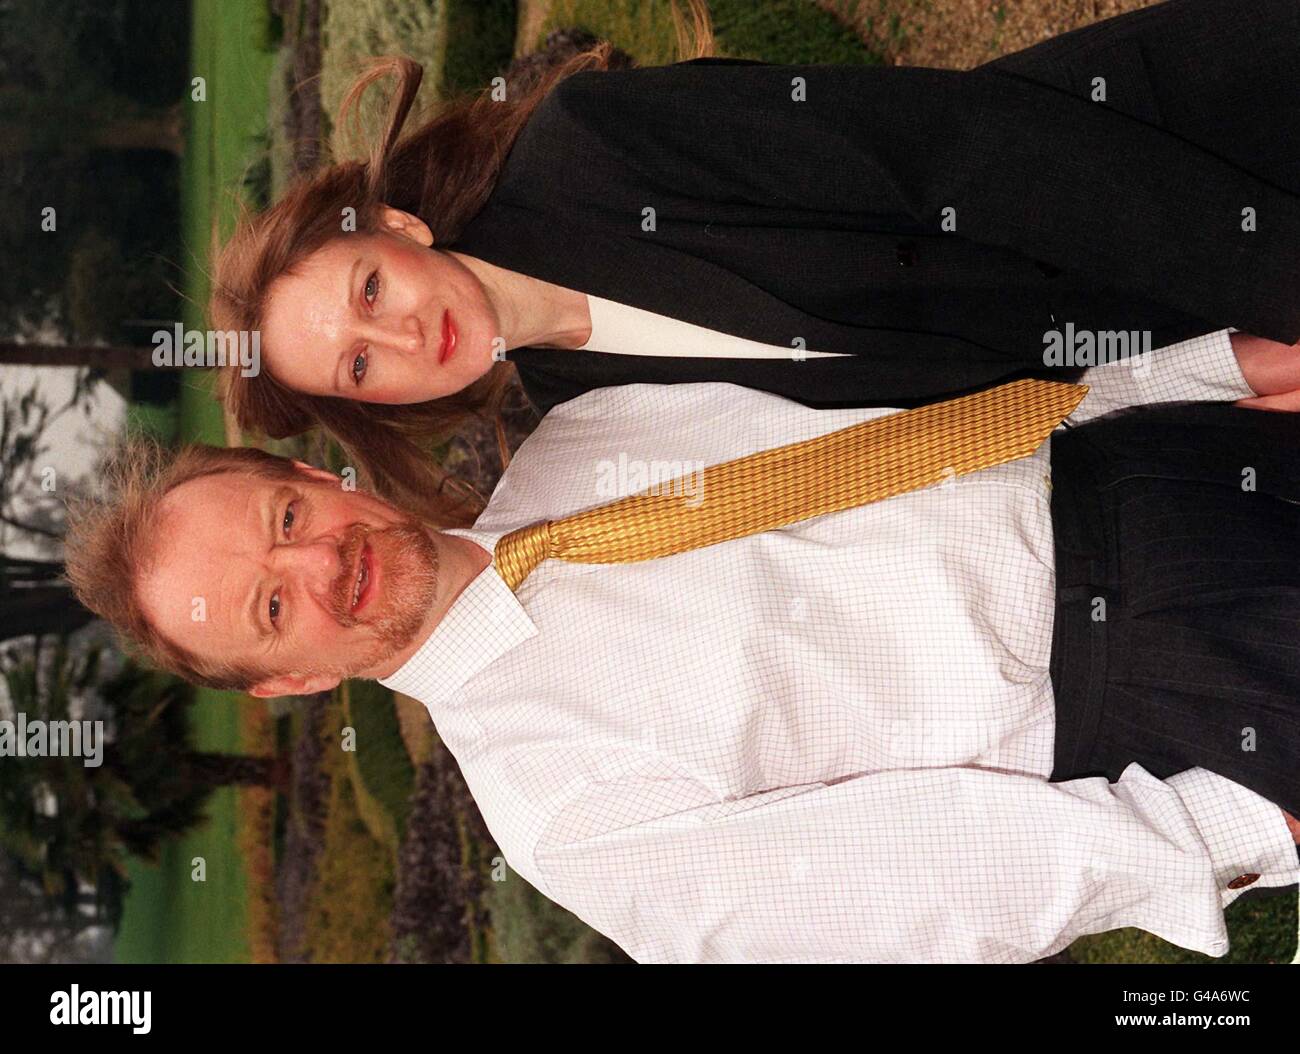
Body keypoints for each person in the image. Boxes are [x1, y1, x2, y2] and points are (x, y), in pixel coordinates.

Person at [66, 333, 1300, 962]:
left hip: (1153, 463)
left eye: (282, 524)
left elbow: (915, 422)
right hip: (1177, 683)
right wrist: (1239, 831)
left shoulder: (583, 435)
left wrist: (1187, 380)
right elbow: (931, 884)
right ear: (291, 681)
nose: (315, 566)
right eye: (269, 610)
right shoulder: (565, 823)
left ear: (301, 472)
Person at [210, 0, 1300, 526]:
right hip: (1205, 341)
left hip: (1201, 166)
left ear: (396, 230)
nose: (399, 336)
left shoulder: (592, 147)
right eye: (358, 365)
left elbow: (964, 153)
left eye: (368, 292)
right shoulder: (593, 416)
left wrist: (1269, 283)